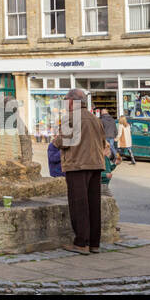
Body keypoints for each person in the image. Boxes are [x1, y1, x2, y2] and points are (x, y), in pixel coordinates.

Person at [52, 89, 108, 255]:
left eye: (65, 101)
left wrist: (55, 141)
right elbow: (103, 141)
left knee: (79, 204)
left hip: (77, 164)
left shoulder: (71, 118)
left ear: (71, 102)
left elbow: (64, 141)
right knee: (93, 204)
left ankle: (81, 242)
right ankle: (94, 243)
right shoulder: (95, 119)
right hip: (96, 164)